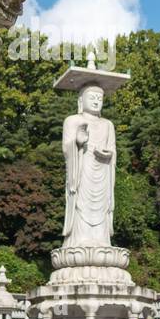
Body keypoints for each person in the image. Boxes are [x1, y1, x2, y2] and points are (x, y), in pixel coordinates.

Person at [61, 83, 115, 248]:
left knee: (102, 206)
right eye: (92, 97)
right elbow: (66, 148)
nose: (96, 101)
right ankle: (79, 240)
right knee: (82, 203)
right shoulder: (73, 120)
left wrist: (108, 153)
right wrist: (77, 141)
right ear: (81, 100)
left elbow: (112, 148)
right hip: (82, 169)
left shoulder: (108, 125)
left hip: (103, 171)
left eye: (100, 98)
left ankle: (102, 241)